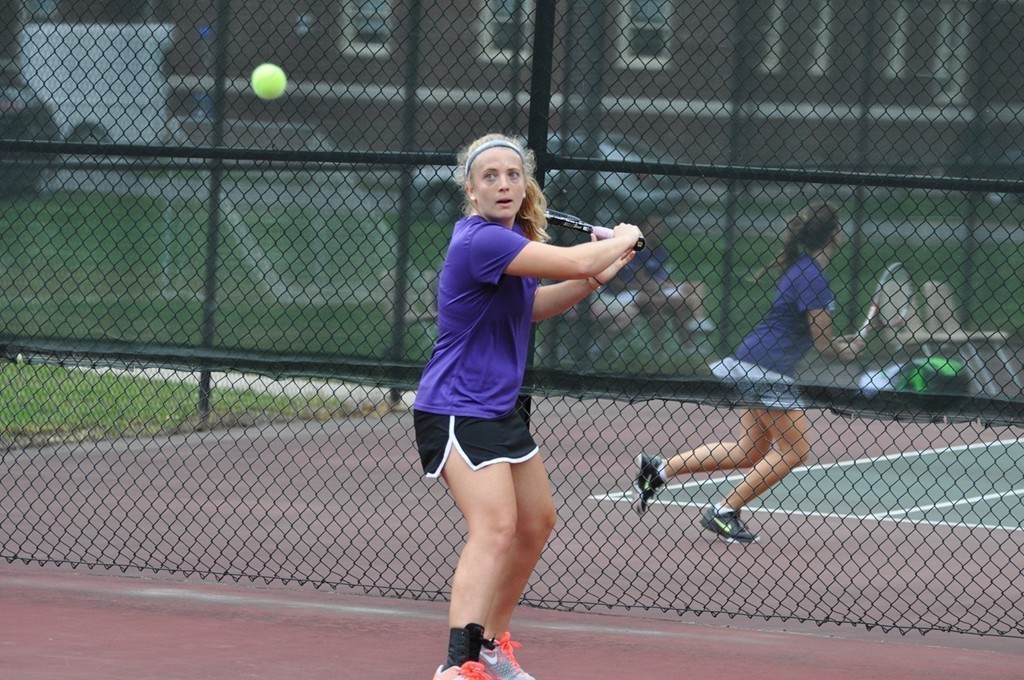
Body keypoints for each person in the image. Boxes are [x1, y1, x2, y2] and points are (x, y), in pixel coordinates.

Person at [414, 133, 643, 679]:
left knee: (536, 523)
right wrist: (622, 238)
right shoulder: (479, 240)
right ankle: (458, 665)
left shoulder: (512, 238)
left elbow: (532, 306)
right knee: (494, 527)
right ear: (470, 190)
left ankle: (490, 646)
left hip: (497, 410)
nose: (503, 184)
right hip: (456, 406)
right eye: (489, 176)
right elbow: (577, 255)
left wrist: (591, 278)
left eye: (512, 175)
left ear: (525, 184)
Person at [632, 201, 865, 544]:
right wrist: (847, 350)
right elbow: (825, 344)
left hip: (752, 360)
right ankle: (725, 510)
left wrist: (841, 343)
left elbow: (812, 333)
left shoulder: (802, 269)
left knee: (751, 451)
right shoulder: (814, 277)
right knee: (795, 451)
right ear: (835, 235)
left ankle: (658, 470)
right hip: (767, 369)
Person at [591, 208, 713, 353]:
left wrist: (667, 284)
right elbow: (620, 283)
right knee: (659, 302)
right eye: (654, 226)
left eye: (660, 226)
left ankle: (694, 332)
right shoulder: (631, 249)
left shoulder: (658, 249)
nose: (659, 230)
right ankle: (659, 349)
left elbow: (662, 275)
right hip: (622, 294)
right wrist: (650, 286)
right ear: (642, 229)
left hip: (653, 288)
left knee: (693, 288)